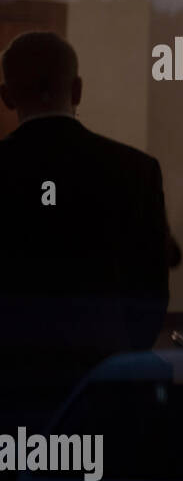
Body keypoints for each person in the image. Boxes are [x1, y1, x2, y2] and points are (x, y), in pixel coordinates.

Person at [0, 32, 169, 434]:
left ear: (6, 96)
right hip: (103, 377)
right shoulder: (135, 170)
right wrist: (123, 353)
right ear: (77, 89)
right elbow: (153, 288)